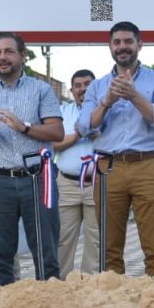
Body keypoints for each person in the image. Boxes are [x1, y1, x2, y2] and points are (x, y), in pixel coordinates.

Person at [78, 21, 154, 276]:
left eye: (128, 41)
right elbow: (85, 126)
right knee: (109, 250)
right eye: (117, 42)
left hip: (148, 166)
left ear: (139, 45)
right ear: (110, 47)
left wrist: (134, 95)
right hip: (107, 168)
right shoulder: (98, 86)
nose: (122, 47)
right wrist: (107, 102)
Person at [0, 31, 63, 284]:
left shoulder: (42, 89)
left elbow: (57, 132)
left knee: (46, 251)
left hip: (38, 179)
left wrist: (25, 127)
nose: (2, 57)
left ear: (23, 55)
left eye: (8, 52)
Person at [53, 69, 99, 276]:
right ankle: (60, 289)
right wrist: (78, 133)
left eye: (88, 84)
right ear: (72, 90)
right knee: (63, 238)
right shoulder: (62, 112)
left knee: (96, 239)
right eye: (78, 85)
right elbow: (54, 143)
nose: (83, 89)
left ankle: (92, 288)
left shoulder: (104, 111)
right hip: (67, 184)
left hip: (96, 183)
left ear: (95, 87)